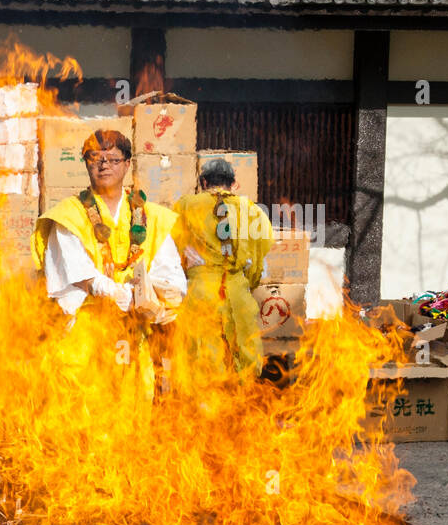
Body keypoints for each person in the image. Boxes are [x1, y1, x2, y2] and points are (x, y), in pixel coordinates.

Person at [33, 130, 185, 320]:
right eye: (96, 158)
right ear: (87, 164)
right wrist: (117, 294)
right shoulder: (68, 215)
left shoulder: (153, 216)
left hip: (143, 327)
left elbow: (170, 275)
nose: (104, 165)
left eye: (113, 159)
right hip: (91, 328)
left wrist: (146, 293)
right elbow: (76, 272)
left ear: (127, 164)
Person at [172, 158, 273, 376]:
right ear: (233, 183)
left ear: (204, 182)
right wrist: (247, 283)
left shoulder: (186, 205)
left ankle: (204, 405)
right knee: (244, 353)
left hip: (200, 290)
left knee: (200, 355)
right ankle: (241, 402)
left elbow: (172, 248)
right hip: (237, 290)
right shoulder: (252, 210)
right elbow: (260, 253)